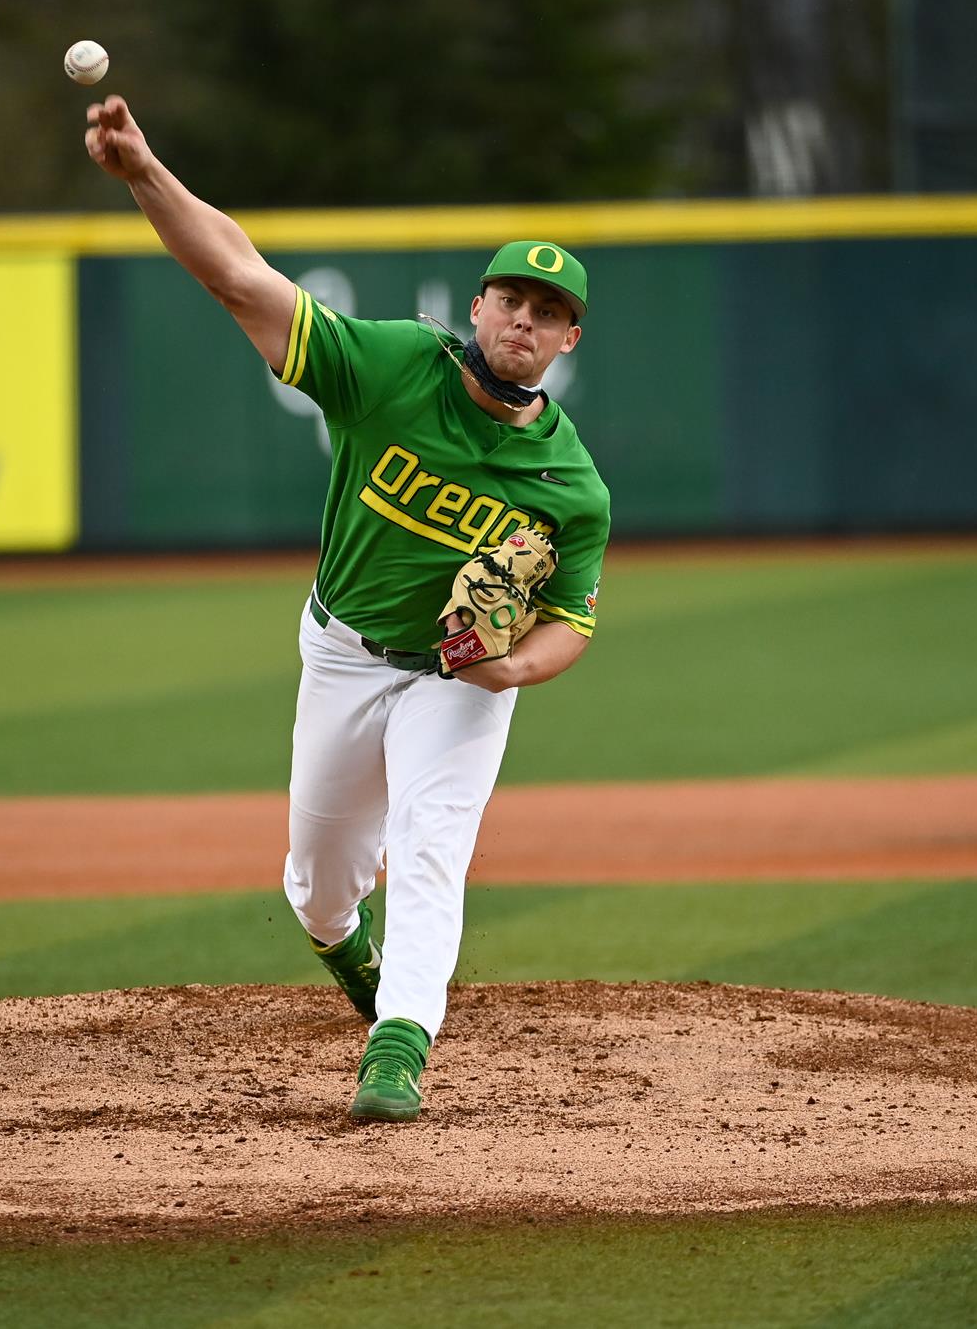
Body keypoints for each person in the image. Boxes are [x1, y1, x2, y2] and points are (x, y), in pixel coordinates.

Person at [86, 95, 610, 1122]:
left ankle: (398, 1049)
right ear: (476, 308)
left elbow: (569, 624)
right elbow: (235, 275)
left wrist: (505, 668)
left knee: (429, 843)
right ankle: (358, 965)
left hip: (455, 681)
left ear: (566, 338)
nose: (523, 319)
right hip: (340, 653)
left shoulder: (571, 486)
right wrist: (144, 172)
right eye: (509, 298)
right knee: (319, 887)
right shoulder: (385, 369)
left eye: (545, 312)